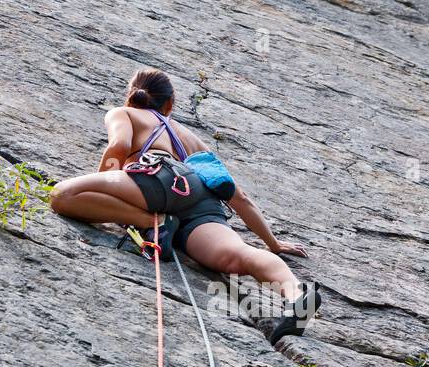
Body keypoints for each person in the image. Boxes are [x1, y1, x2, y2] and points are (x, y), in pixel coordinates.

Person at [49, 68, 319, 343]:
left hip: (159, 178)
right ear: (170, 104)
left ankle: (153, 223)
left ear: (131, 96)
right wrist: (273, 243)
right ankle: (297, 294)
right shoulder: (189, 136)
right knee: (238, 255)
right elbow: (238, 196)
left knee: (63, 195)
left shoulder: (124, 113)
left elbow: (120, 145)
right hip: (200, 198)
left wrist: (105, 179)